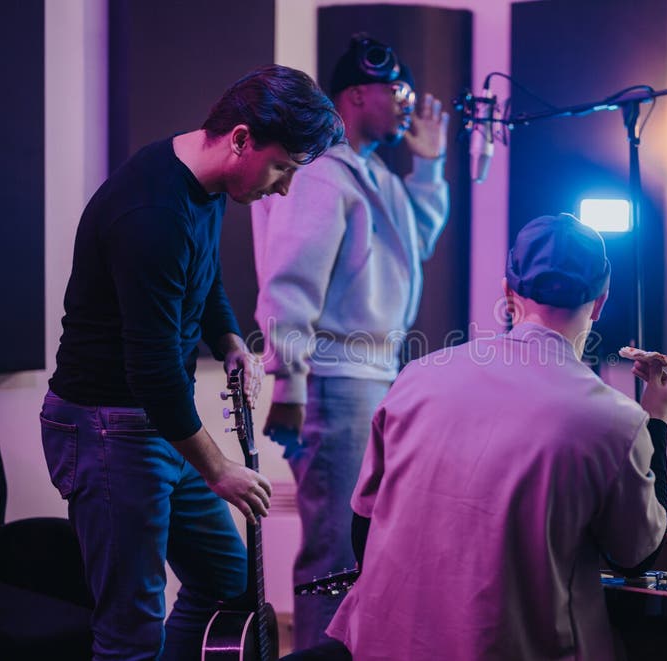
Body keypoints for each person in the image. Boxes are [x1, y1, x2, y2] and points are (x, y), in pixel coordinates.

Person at [40, 65, 344, 661]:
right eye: (282, 166)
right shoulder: (152, 213)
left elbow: (199, 278)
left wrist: (228, 336)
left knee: (226, 579)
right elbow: (151, 367)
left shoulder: (203, 186)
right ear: (240, 139)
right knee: (130, 628)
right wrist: (218, 468)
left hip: (153, 421)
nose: (283, 189)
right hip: (108, 424)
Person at [323, 213, 667, 660]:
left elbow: (365, 526)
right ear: (600, 303)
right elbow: (635, 558)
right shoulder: (615, 420)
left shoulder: (417, 377)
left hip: (382, 644)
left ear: (508, 293)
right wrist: (656, 417)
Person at [250, 34, 450, 649]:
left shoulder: (374, 175)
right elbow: (291, 280)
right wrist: (290, 382)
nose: (408, 106)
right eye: (399, 93)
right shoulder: (317, 173)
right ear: (358, 93)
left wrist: (431, 164)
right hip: (334, 383)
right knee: (333, 552)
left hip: (369, 377)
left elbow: (418, 241)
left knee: (361, 548)